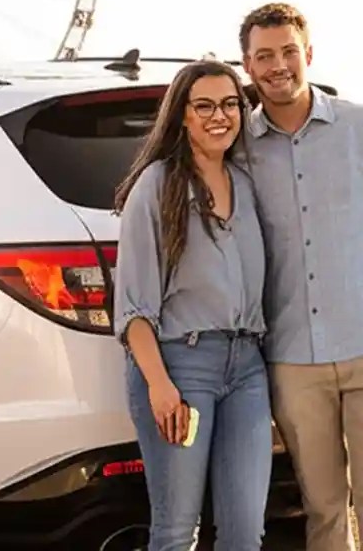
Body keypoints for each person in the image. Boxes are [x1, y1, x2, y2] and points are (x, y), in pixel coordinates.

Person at [238, 2, 363, 551]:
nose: (279, 66)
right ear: (247, 66)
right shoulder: (239, 148)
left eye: (288, 52)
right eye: (264, 56)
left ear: (309, 54)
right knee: (322, 512)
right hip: (293, 361)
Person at [112, 59, 274, 550]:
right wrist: (161, 387)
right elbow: (133, 307)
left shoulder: (246, 184)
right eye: (203, 106)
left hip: (247, 369)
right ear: (181, 115)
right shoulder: (157, 186)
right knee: (178, 530)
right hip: (180, 368)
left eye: (230, 104)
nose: (219, 115)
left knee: (246, 531)